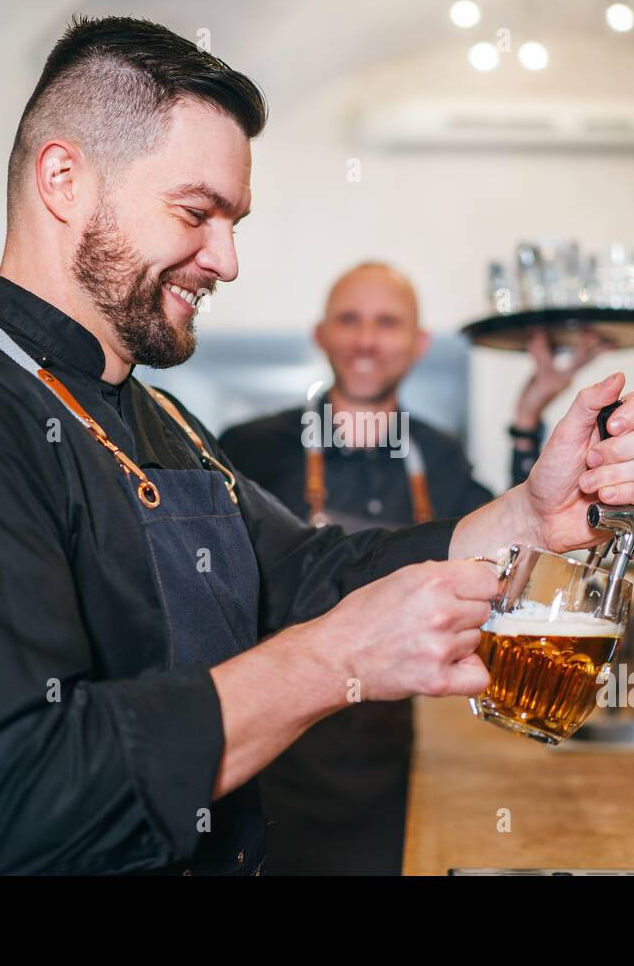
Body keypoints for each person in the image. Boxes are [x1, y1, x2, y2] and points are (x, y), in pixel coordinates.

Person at [0, 16, 634, 875]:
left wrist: (530, 518)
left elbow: (312, 575)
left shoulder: (157, 420)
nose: (227, 260)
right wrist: (333, 659)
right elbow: (10, 804)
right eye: (197, 213)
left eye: (233, 221)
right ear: (65, 180)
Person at [218, 262, 606, 873]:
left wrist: (530, 412)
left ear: (418, 343)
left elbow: (518, 550)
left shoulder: (439, 454)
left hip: (400, 753)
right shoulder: (250, 447)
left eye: (387, 323)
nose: (367, 339)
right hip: (281, 761)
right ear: (321, 335)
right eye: (350, 320)